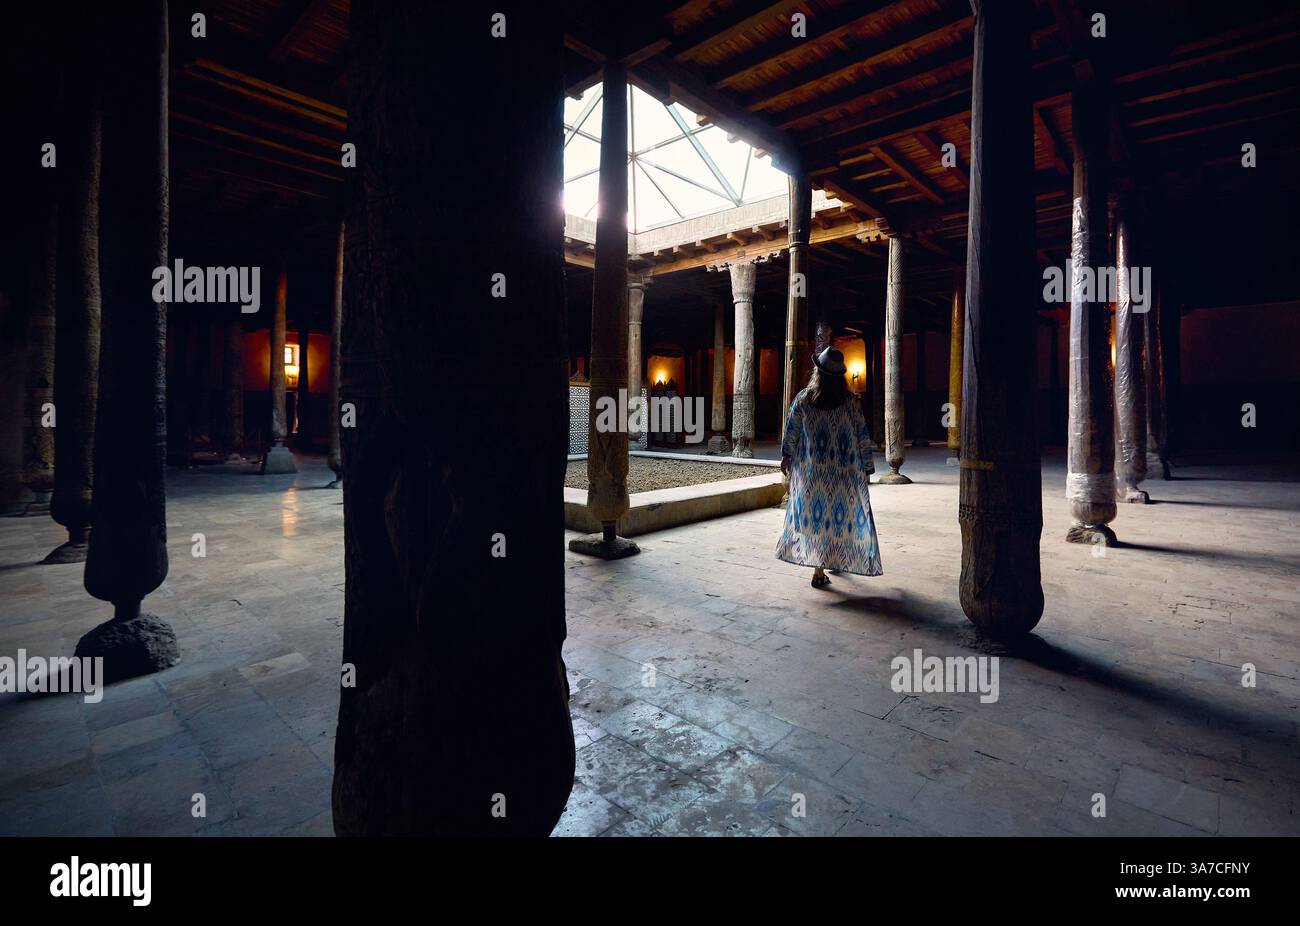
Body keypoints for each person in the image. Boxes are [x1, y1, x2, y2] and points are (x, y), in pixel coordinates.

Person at [777, 346, 882, 589]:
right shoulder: (851, 402)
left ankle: (819, 569)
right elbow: (861, 435)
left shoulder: (804, 398)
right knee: (838, 517)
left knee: (815, 519)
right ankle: (832, 560)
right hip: (843, 473)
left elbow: (791, 431)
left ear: (818, 372)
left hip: (811, 471)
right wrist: (867, 466)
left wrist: (786, 456)